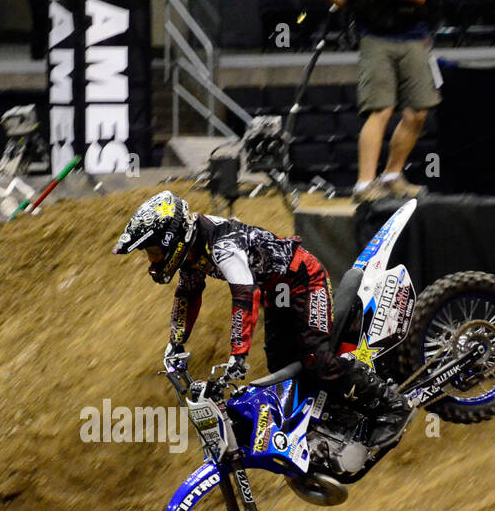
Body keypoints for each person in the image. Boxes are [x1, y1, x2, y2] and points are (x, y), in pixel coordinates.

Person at [111, 191, 409, 450]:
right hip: (277, 292)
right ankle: (338, 414)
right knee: (280, 365)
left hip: (305, 280)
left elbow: (244, 294)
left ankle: (393, 406)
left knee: (316, 358)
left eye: (152, 250)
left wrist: (238, 355)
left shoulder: (220, 244)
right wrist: (175, 342)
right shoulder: (192, 247)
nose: (152, 258)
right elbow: (188, 293)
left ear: (170, 238)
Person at [332, 0, 442, 209]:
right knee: (381, 110)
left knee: (418, 113)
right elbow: (338, 1)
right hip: (375, 38)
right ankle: (364, 185)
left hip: (415, 36)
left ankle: (392, 176)